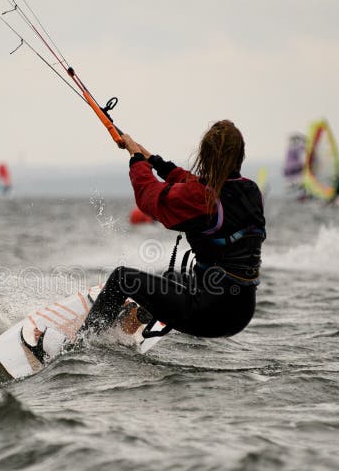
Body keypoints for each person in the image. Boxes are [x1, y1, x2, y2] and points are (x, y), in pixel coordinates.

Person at [81, 120, 265, 338]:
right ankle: (132, 319)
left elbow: (149, 197)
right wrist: (149, 158)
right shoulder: (250, 190)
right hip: (242, 311)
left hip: (210, 314)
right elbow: (193, 183)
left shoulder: (203, 198)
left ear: (205, 155)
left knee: (123, 279)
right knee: (172, 280)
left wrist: (136, 159)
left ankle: (84, 342)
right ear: (239, 155)